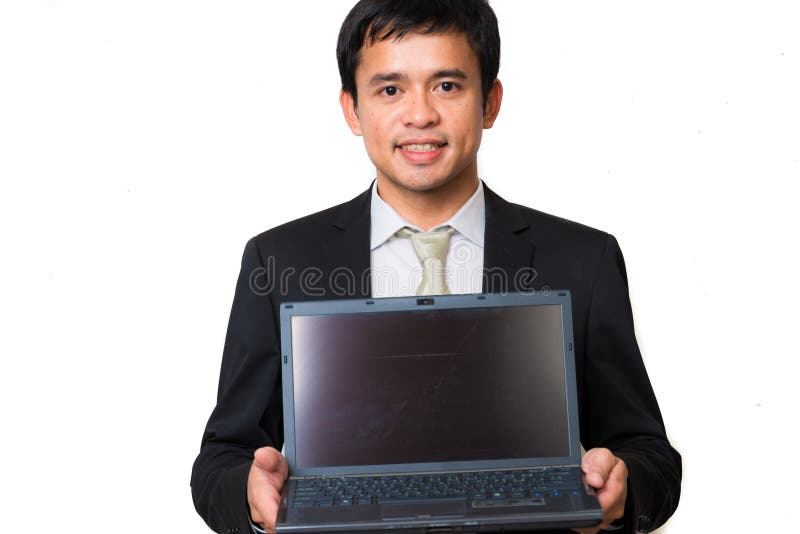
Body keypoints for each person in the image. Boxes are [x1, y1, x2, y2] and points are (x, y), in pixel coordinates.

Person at [190, 1, 682, 533]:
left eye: (447, 86)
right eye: (390, 89)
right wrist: (249, 491)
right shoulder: (280, 261)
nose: (420, 114)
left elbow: (649, 453)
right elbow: (223, 457)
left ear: (490, 102)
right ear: (351, 109)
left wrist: (623, 483)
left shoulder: (583, 261)